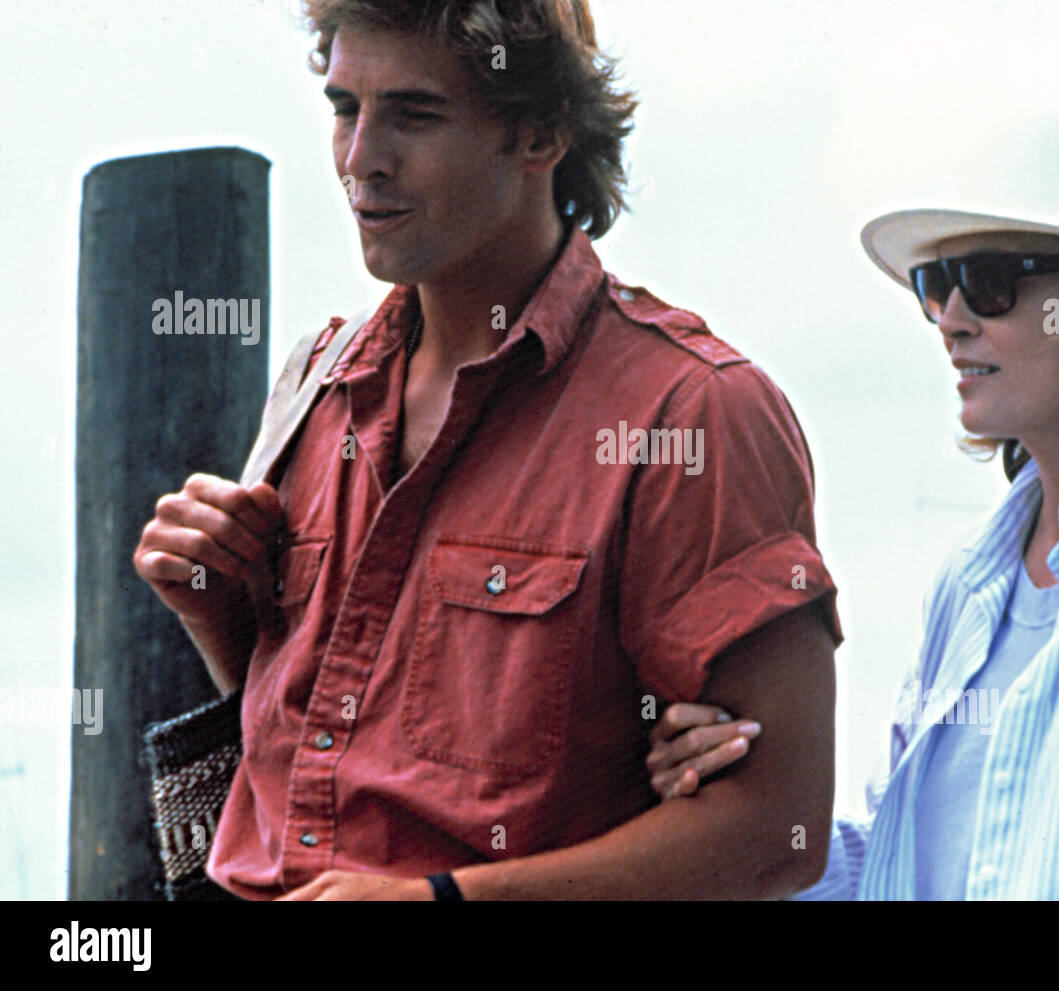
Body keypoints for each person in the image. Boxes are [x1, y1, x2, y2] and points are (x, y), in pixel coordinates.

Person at [132, 0, 840, 900]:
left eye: (415, 115)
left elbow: (778, 831)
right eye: (346, 108)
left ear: (541, 132)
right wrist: (218, 610)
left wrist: (446, 902)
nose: (361, 159)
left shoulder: (691, 413)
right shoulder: (316, 384)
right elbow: (330, 738)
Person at [647, 93, 1059, 900]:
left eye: (990, 282)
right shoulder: (967, 582)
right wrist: (733, 796)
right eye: (935, 283)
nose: (948, 319)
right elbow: (903, 873)